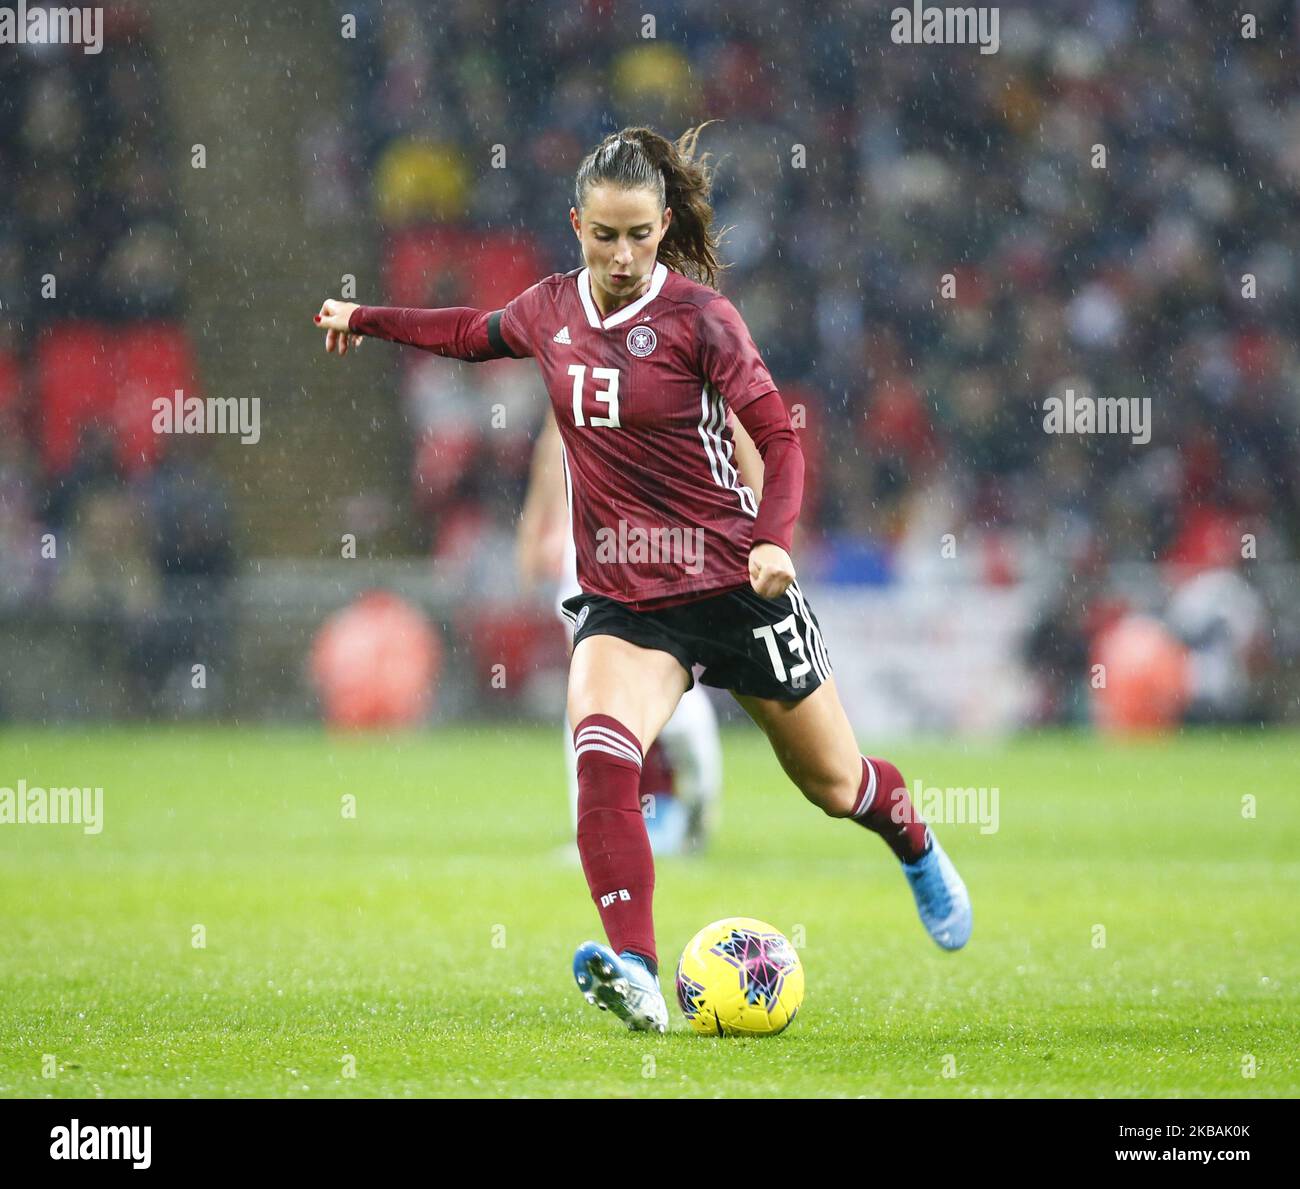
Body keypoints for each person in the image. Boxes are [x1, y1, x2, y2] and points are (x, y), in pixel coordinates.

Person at [314, 123, 971, 1035]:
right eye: (603, 235)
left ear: (664, 226)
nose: (621, 255)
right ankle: (636, 968)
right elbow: (468, 332)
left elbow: (779, 436)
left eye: (639, 235)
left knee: (835, 784)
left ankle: (915, 840)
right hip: (625, 597)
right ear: (575, 222)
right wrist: (365, 317)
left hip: (734, 587)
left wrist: (774, 538)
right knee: (600, 754)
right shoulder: (550, 309)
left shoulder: (703, 320)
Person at [517, 411, 764, 856]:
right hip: (593, 551)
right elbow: (555, 442)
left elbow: (735, 432)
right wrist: (542, 524)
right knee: (592, 696)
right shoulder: (579, 369)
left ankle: (693, 814)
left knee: (671, 695)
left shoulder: (677, 373)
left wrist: (766, 529)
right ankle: (600, 837)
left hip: (662, 547)